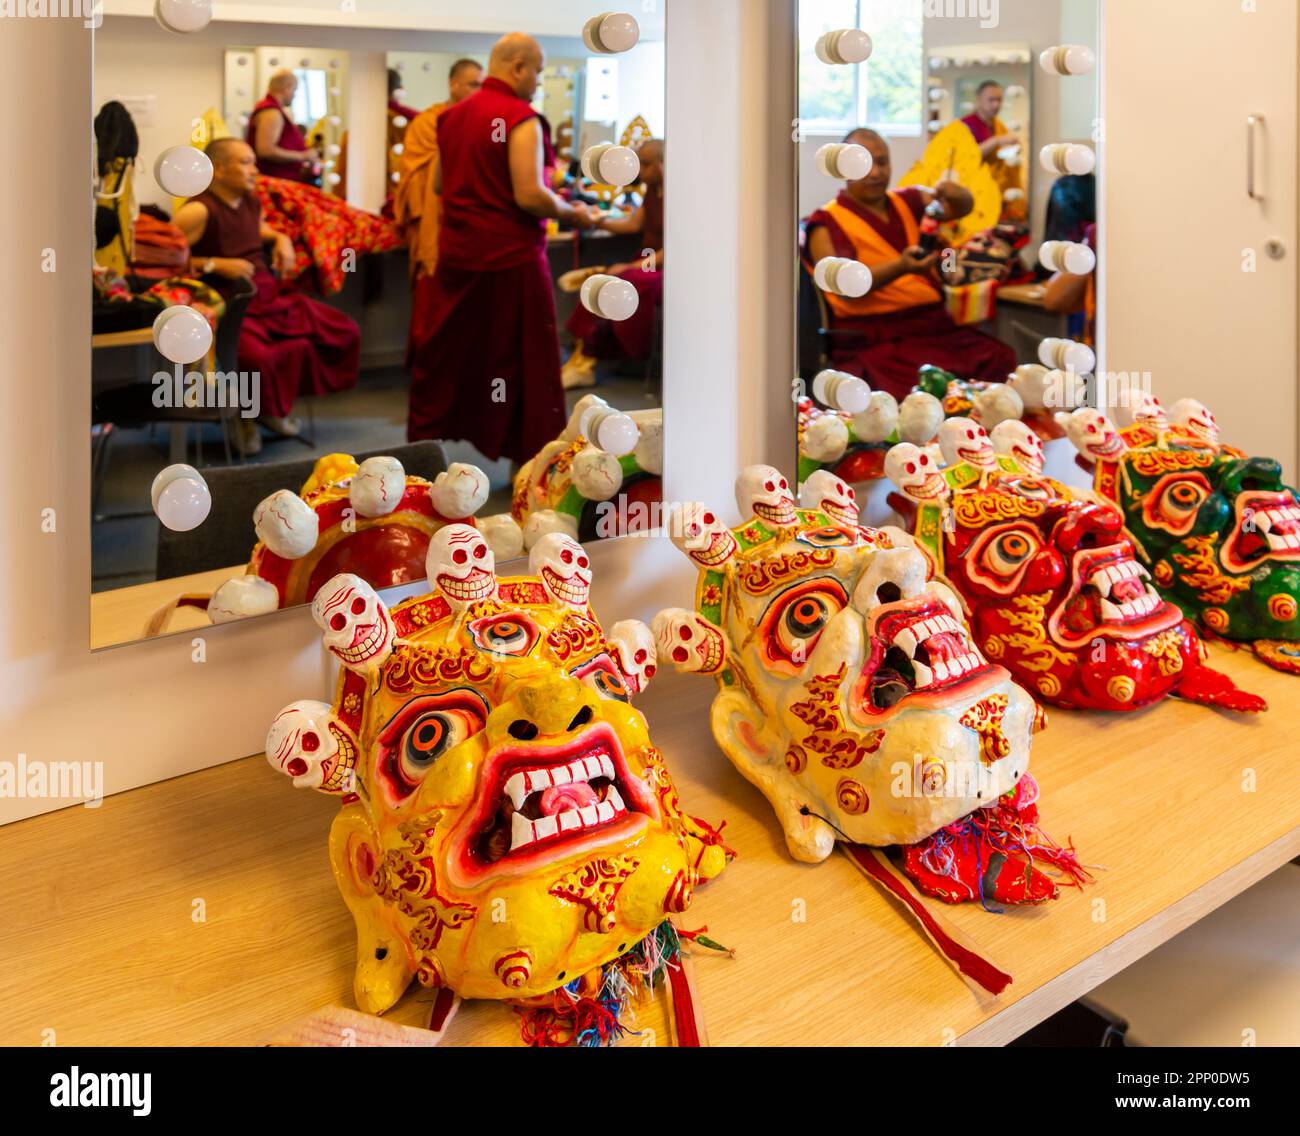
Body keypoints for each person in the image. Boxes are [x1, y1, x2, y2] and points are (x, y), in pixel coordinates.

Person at [406, 33, 600, 464]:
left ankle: (421, 457)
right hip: (512, 260)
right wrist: (573, 213)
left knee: (451, 357)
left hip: (459, 259)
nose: (539, 80)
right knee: (523, 363)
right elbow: (530, 195)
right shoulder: (520, 118)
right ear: (517, 68)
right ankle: (528, 463)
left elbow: (438, 184)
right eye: (538, 71)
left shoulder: (451, 117)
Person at [173, 139, 360, 455]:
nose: (254, 170)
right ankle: (242, 416)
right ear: (217, 169)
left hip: (269, 296)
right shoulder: (197, 211)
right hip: (230, 305)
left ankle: (270, 409)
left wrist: (281, 237)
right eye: (245, 162)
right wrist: (213, 263)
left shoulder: (249, 199)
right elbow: (159, 261)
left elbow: (257, 228)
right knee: (255, 358)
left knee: (342, 332)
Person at [803, 128, 1016, 399]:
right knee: (922, 390)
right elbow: (843, 286)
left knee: (1000, 358)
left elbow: (959, 207)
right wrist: (901, 267)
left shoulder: (910, 200)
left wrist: (957, 193)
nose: (876, 173)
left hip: (934, 326)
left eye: (882, 162)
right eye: (864, 164)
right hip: (877, 337)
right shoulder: (824, 223)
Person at [561, 137, 665, 389]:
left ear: (664, 164)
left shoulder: (681, 194)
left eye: (647, 164)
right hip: (645, 261)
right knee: (602, 283)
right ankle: (584, 355)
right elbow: (633, 224)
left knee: (623, 281)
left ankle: (589, 360)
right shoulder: (652, 190)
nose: (640, 171)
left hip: (663, 269)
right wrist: (596, 221)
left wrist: (630, 267)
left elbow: (675, 249)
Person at [392, 58, 484, 282]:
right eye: (473, 85)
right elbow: (415, 177)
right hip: (435, 218)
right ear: (453, 84)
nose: (479, 91)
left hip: (472, 221)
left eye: (482, 86)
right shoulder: (427, 122)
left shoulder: (484, 121)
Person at [959, 80, 1024, 219]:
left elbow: (998, 156)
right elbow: (966, 157)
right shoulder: (965, 125)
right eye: (991, 100)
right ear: (978, 100)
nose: (996, 104)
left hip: (996, 189)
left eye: (999, 100)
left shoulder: (998, 125)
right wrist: (996, 141)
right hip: (974, 190)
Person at [246, 70, 319, 183]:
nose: (295, 95)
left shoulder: (272, 110)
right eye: (294, 90)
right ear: (287, 88)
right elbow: (265, 150)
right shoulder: (271, 113)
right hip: (274, 183)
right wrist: (303, 156)